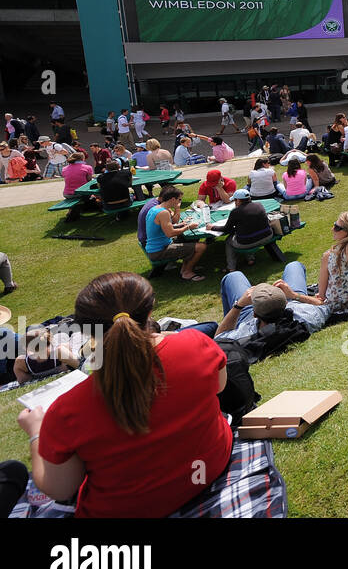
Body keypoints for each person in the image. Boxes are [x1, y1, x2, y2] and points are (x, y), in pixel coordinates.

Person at [17, 272, 231, 517]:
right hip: (208, 471)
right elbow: (219, 386)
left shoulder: (68, 409)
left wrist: (36, 433)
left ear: (88, 333)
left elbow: (59, 488)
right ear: (150, 312)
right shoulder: (196, 343)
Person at [142, 186, 209, 281]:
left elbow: (165, 227)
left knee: (191, 239)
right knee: (201, 247)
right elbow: (170, 233)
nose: (180, 202)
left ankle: (185, 268)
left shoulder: (155, 209)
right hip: (158, 251)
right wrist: (188, 227)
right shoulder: (163, 213)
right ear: (173, 199)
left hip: (156, 247)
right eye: (179, 200)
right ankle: (187, 272)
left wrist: (181, 224)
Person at [211, 187, 276, 272]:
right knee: (249, 232)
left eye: (234, 200)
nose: (234, 203)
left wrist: (212, 227)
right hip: (267, 236)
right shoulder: (259, 205)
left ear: (238, 200)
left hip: (248, 242)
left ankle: (231, 268)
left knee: (229, 240)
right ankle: (250, 259)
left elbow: (226, 229)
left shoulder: (235, 212)